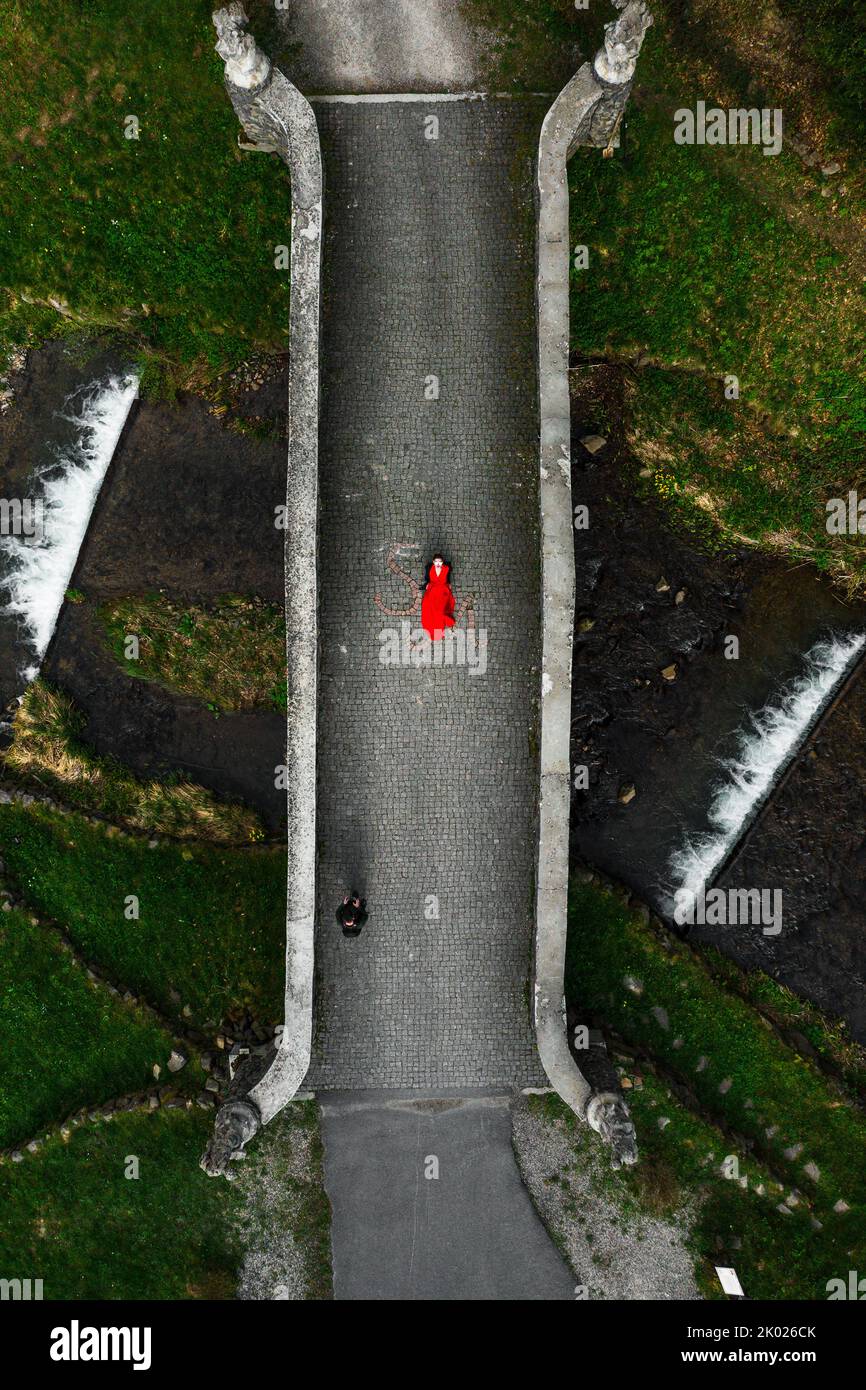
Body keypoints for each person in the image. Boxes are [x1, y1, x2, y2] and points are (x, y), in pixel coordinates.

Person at [421, 555, 455, 642]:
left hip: (442, 591)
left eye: (440, 561)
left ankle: (438, 632)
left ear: (442, 562)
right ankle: (431, 631)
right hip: (432, 589)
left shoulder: (446, 569)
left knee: (440, 613)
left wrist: (448, 584)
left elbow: (447, 578)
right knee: (430, 611)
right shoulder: (429, 568)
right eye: (436, 561)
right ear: (433, 562)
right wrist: (427, 584)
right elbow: (427, 578)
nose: (438, 564)